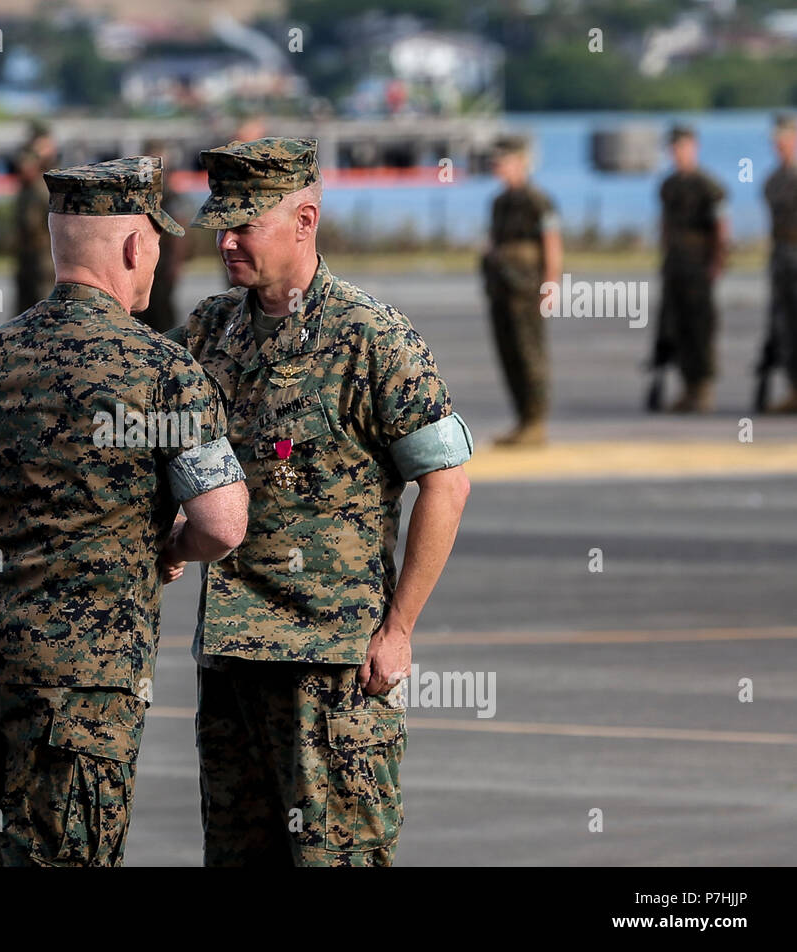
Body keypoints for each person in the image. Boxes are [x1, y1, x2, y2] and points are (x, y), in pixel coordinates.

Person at [0, 156, 249, 867]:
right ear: (137, 246)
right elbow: (223, 522)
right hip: (80, 673)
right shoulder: (160, 371)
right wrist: (171, 546)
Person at [169, 137, 472, 867]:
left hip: (331, 666)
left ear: (305, 220)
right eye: (221, 224)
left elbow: (447, 481)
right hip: (233, 658)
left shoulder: (372, 339)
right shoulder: (212, 329)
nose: (228, 240)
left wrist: (399, 628)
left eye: (247, 224)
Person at [481, 134, 561, 446]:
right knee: (509, 354)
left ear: (520, 163)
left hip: (526, 288)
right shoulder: (500, 202)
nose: (498, 167)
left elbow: (551, 242)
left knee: (530, 353)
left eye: (503, 161)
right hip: (502, 288)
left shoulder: (536, 200)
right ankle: (522, 420)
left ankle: (536, 421)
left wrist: (551, 283)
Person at [654, 125, 727, 413]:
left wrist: (717, 262)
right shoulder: (668, 185)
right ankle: (687, 387)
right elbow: (664, 224)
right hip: (675, 265)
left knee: (700, 328)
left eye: (683, 147)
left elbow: (720, 228)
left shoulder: (708, 186)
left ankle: (703, 387)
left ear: (694, 147)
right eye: (674, 148)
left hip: (698, 265)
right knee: (676, 327)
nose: (678, 153)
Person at [137, 138, 194, 334]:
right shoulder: (139, 194)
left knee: (161, 314)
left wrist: (175, 264)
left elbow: (180, 230)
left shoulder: (169, 195)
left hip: (161, 264)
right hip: (140, 262)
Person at [763, 113, 797, 413]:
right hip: (782, 260)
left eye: (786, 138)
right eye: (777, 140)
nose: (781, 145)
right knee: (786, 327)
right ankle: (794, 388)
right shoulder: (772, 182)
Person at [12, 130, 57, 312]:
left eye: (27, 164)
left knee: (44, 309)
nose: (22, 169)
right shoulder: (25, 191)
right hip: (27, 258)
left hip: (44, 260)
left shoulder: (43, 190)